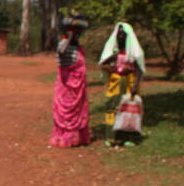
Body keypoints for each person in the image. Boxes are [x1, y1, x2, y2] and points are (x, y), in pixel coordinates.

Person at [99, 21, 144, 144]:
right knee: (113, 108)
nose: (121, 36)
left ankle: (129, 138)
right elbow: (104, 63)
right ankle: (112, 137)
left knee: (130, 110)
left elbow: (139, 69)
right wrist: (115, 70)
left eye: (123, 34)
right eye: (119, 34)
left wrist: (135, 85)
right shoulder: (116, 53)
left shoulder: (133, 53)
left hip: (130, 83)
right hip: (116, 84)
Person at [50, 15, 91, 148]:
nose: (77, 34)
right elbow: (61, 52)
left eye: (78, 32)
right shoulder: (63, 42)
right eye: (74, 31)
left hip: (78, 87)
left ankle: (77, 137)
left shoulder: (78, 47)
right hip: (66, 85)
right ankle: (65, 138)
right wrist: (69, 38)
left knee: (77, 109)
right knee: (66, 111)